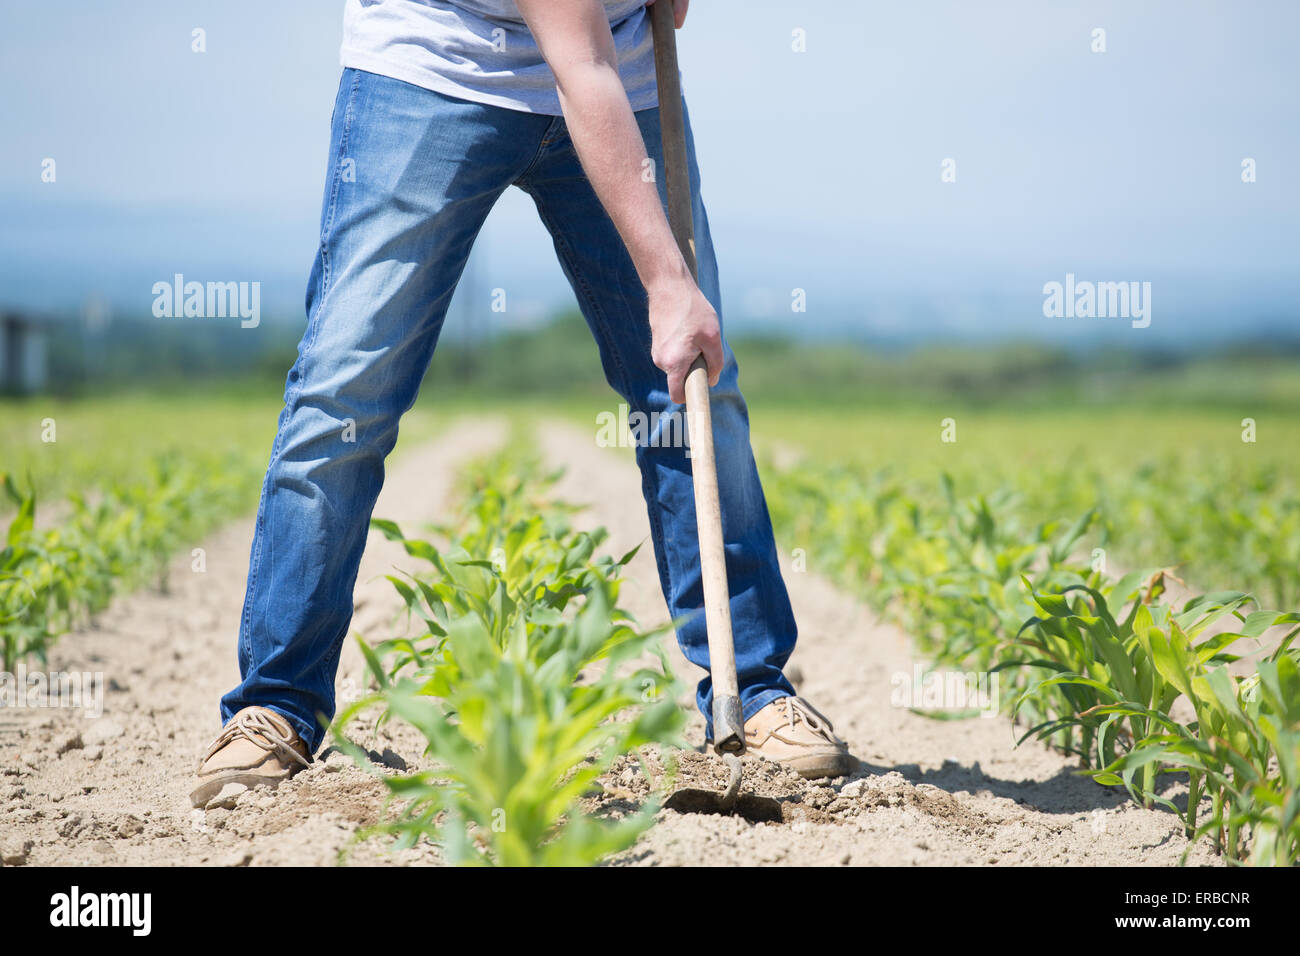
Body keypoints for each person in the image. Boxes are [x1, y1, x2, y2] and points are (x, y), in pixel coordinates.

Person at [191, 0, 852, 809]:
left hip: (619, 64)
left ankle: (754, 690)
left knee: (691, 386)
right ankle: (276, 703)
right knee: (344, 392)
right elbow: (580, 66)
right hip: (433, 66)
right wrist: (670, 283)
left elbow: (596, 57)